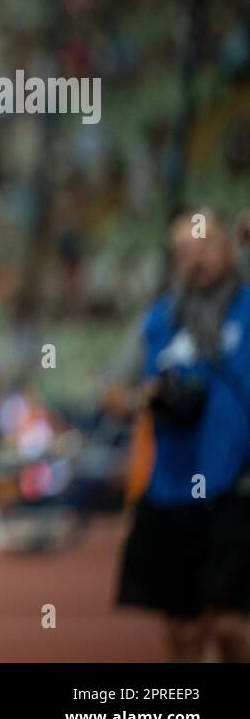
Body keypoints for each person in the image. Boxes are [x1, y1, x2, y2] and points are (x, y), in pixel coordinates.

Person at [108, 206, 250, 661]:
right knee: (184, 632)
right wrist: (143, 399)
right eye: (183, 251)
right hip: (172, 488)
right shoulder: (158, 321)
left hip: (236, 487)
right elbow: (112, 392)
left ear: (229, 246)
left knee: (231, 624)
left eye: (204, 245)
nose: (195, 259)